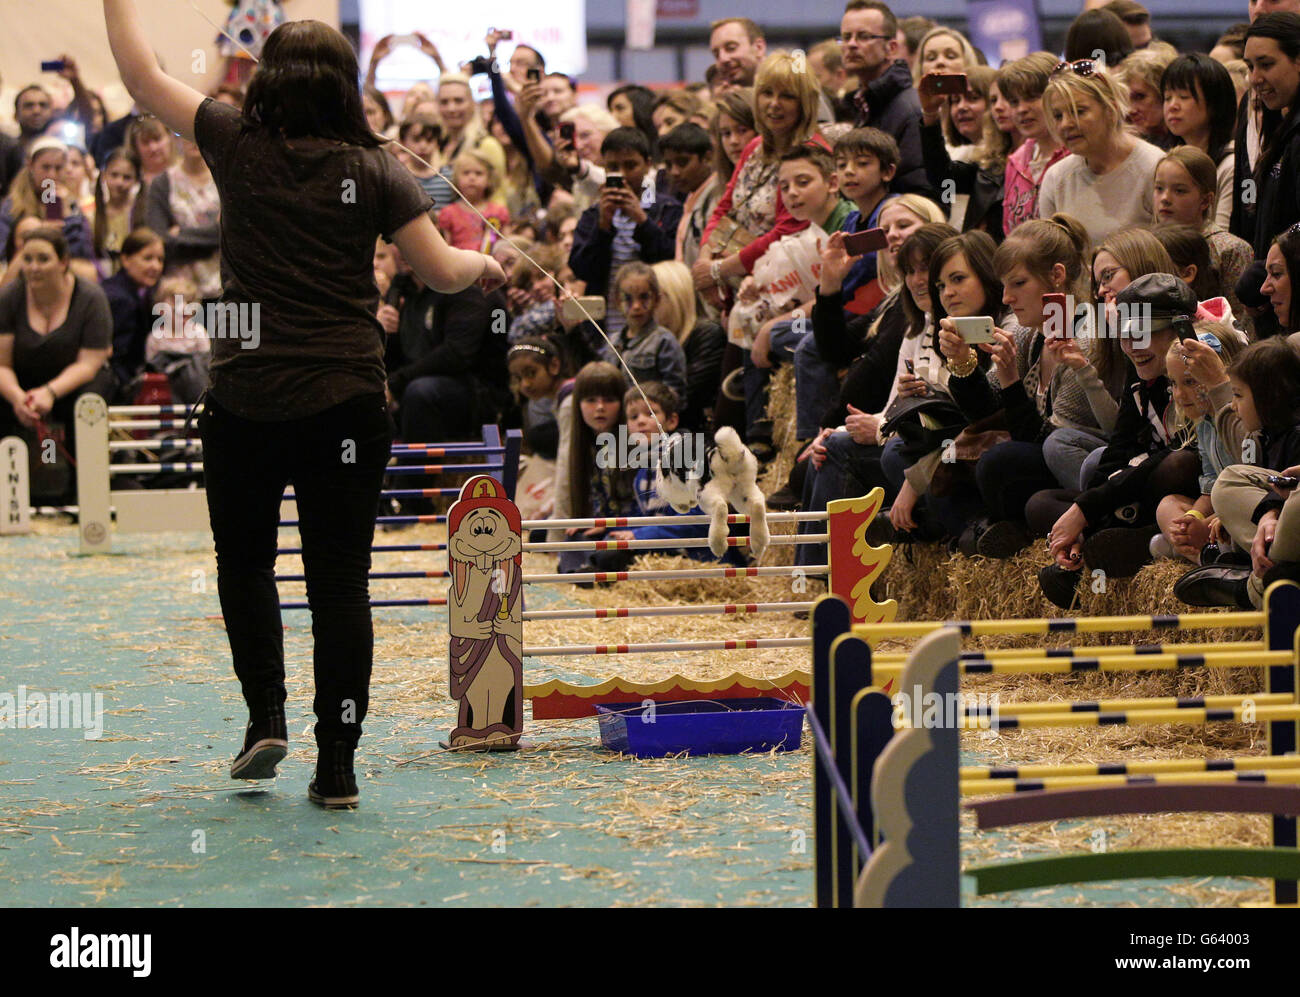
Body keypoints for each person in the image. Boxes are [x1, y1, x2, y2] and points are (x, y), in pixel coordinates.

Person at [101, 0, 506, 807]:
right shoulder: (379, 167)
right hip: (347, 402)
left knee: (245, 565)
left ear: (266, 81)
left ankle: (264, 718)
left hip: (245, 403)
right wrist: (486, 265)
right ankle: (339, 763)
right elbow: (440, 271)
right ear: (346, 86)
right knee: (340, 583)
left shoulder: (234, 140)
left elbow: (142, 77)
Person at [938, 215, 1130, 557]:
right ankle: (989, 529)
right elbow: (988, 413)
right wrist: (962, 363)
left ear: (1056, 275)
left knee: (1000, 461)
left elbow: (1044, 443)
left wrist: (1012, 380)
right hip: (1041, 460)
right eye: (1004, 286)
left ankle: (991, 528)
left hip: (1082, 460)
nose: (1008, 298)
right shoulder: (1031, 333)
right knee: (945, 467)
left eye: (1018, 284)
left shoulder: (1086, 336)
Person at [1175, 337, 1300, 608]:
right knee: (1230, 480)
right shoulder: (1266, 436)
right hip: (1284, 526)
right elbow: (1269, 485)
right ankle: (1269, 568)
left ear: (1270, 398)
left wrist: (1274, 508)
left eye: (1238, 395)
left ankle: (1257, 584)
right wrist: (1263, 511)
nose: (1232, 405)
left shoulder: (1295, 436)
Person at [0, 226, 115, 499]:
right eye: (27, 259)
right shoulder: (9, 297)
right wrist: (19, 399)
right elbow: (2, 365)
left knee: (88, 401)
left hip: (76, 381)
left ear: (63, 262)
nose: (33, 268)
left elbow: (90, 363)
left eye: (43, 259)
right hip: (23, 382)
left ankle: (87, 495)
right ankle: (8, 496)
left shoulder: (91, 298)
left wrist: (49, 393)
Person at [1036, 60, 1165, 246]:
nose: (1065, 124)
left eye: (1078, 111)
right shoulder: (1056, 178)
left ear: (1110, 110)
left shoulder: (1155, 167)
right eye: (1058, 116)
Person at [568, 127, 682, 337]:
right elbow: (581, 269)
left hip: (661, 328)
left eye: (630, 165)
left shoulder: (667, 209)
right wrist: (603, 226)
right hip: (607, 330)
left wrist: (642, 220)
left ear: (648, 164)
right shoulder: (593, 215)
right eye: (613, 167)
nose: (622, 174)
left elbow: (671, 262)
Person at [838, 0, 929, 196]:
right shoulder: (859, 104)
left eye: (863, 36)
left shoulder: (911, 110)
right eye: (846, 37)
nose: (851, 44)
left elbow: (919, 193)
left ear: (892, 48)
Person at [1237, 13, 1300, 258]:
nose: (1255, 78)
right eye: (1250, 66)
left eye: (1266, 64)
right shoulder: (1275, 124)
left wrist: (1267, 270)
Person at [1160, 54, 1239, 229]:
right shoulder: (1167, 160)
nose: (1173, 105)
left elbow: (1223, 237)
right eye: (1167, 97)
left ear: (1214, 103)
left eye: (1183, 96)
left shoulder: (1231, 164)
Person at [997, 53, 1070, 234]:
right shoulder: (1016, 160)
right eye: (1014, 102)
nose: (1021, 109)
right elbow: (1009, 230)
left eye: (1031, 97)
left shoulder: (1078, 154)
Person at [102, 227, 165, 390]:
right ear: (125, 260)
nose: (156, 266)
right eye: (148, 258)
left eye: (160, 260)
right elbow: (117, 358)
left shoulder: (141, 293)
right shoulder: (121, 300)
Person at [91, 148, 140, 275]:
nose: (119, 182)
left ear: (136, 180)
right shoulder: (91, 214)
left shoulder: (139, 215)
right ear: (103, 175)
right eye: (114, 175)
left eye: (127, 177)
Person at [709, 18, 768, 92]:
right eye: (716, 55)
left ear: (759, 48)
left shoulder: (786, 86)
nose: (723, 59)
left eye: (731, 48)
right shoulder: (725, 100)